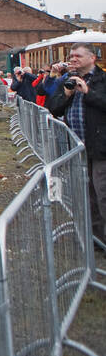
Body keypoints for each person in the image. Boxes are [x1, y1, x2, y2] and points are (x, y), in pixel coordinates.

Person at [44, 44, 106, 247]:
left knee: (102, 192)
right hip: (78, 147)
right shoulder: (67, 81)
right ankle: (97, 240)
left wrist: (87, 92)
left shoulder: (102, 80)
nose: (73, 59)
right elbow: (53, 108)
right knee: (88, 194)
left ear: (92, 59)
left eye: (78, 56)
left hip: (101, 146)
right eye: (71, 56)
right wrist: (67, 94)